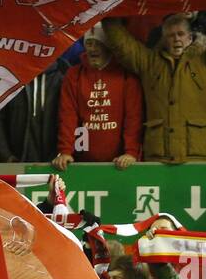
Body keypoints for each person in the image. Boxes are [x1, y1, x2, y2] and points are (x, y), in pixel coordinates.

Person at [103, 7, 206, 163]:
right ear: (163, 39)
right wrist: (108, 10)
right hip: (159, 156)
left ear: (190, 37)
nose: (176, 39)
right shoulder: (149, 63)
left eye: (180, 34)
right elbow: (121, 44)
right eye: (170, 35)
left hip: (198, 156)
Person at [52, 27, 143, 171]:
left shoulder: (126, 76)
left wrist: (131, 152)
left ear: (108, 47)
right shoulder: (74, 75)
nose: (93, 49)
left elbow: (133, 117)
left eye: (98, 44)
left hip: (119, 161)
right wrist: (65, 151)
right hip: (81, 161)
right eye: (89, 43)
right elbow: (68, 115)